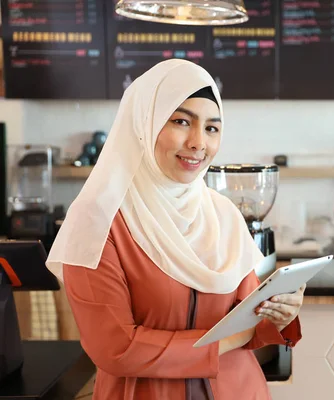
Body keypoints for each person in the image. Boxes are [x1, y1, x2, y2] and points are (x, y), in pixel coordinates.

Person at [45, 59, 303, 400]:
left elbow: (249, 324)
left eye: (212, 128)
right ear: (144, 125)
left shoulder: (222, 213)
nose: (198, 143)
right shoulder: (97, 222)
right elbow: (116, 348)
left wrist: (279, 315)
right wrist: (226, 341)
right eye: (181, 121)